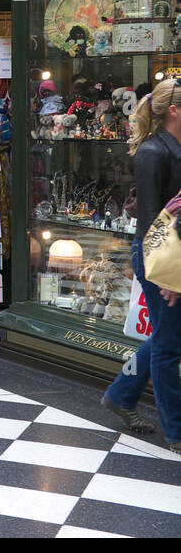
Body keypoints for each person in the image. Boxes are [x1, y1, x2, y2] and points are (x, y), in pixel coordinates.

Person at [103, 80, 181, 451]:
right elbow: (152, 222)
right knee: (168, 344)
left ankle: (121, 393)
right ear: (174, 110)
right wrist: (167, 275)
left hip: (172, 256)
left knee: (168, 337)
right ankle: (177, 432)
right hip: (161, 257)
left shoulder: (174, 148)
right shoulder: (152, 153)